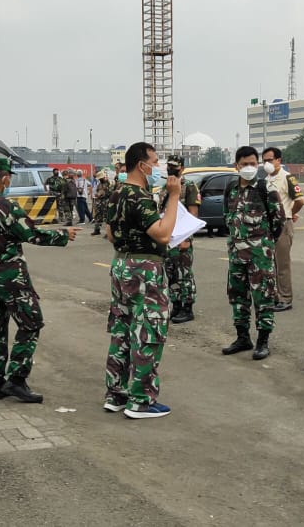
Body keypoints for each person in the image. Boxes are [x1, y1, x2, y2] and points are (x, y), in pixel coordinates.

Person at [0, 157, 78, 404]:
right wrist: (63, 235)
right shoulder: (7, 206)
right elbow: (31, 234)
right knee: (31, 323)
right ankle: (16, 379)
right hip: (11, 276)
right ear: (4, 178)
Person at [103, 142, 181, 419]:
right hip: (145, 268)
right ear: (142, 165)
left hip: (121, 264)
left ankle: (116, 393)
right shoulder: (139, 195)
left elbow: (110, 234)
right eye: (155, 162)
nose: (158, 167)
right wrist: (173, 197)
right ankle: (141, 401)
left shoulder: (116, 193)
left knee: (122, 329)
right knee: (148, 330)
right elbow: (162, 234)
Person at [221, 146, 285, 360]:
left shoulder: (265, 189)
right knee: (237, 296)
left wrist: (264, 245)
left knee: (263, 297)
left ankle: (263, 341)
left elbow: (278, 221)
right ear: (236, 166)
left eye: (252, 164)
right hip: (236, 254)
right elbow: (227, 217)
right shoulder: (231, 189)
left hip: (259, 256)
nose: (249, 168)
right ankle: (242, 337)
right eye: (244, 164)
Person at [261, 147, 304, 312]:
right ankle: (274, 295)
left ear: (279, 160)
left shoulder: (287, 178)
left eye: (270, 160)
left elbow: (300, 200)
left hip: (283, 225)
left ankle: (285, 298)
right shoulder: (265, 179)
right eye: (264, 160)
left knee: (282, 263)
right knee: (269, 264)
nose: (267, 163)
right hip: (268, 225)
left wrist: (290, 213)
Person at [164, 156, 201, 324]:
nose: (171, 170)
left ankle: (188, 306)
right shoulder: (166, 187)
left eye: (175, 167)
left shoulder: (189, 187)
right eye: (169, 166)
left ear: (182, 168)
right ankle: (176, 304)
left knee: (184, 273)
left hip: (182, 237)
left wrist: (186, 238)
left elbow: (193, 215)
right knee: (171, 273)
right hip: (168, 237)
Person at [91, 169, 113, 236]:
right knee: (97, 216)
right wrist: (97, 194)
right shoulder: (99, 184)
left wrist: (103, 194)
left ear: (103, 177)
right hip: (99, 202)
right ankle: (97, 230)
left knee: (106, 217)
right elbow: (97, 191)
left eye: (100, 178)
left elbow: (111, 193)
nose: (100, 179)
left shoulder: (109, 183)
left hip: (106, 202)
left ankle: (108, 232)